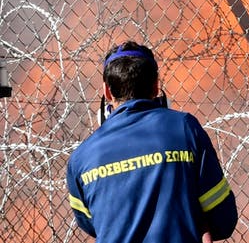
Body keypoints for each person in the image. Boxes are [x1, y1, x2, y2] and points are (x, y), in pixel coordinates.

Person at [66, 41, 238, 243]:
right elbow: (223, 218)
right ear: (156, 86)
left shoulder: (81, 158)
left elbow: (92, 225)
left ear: (107, 92)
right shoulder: (184, 129)